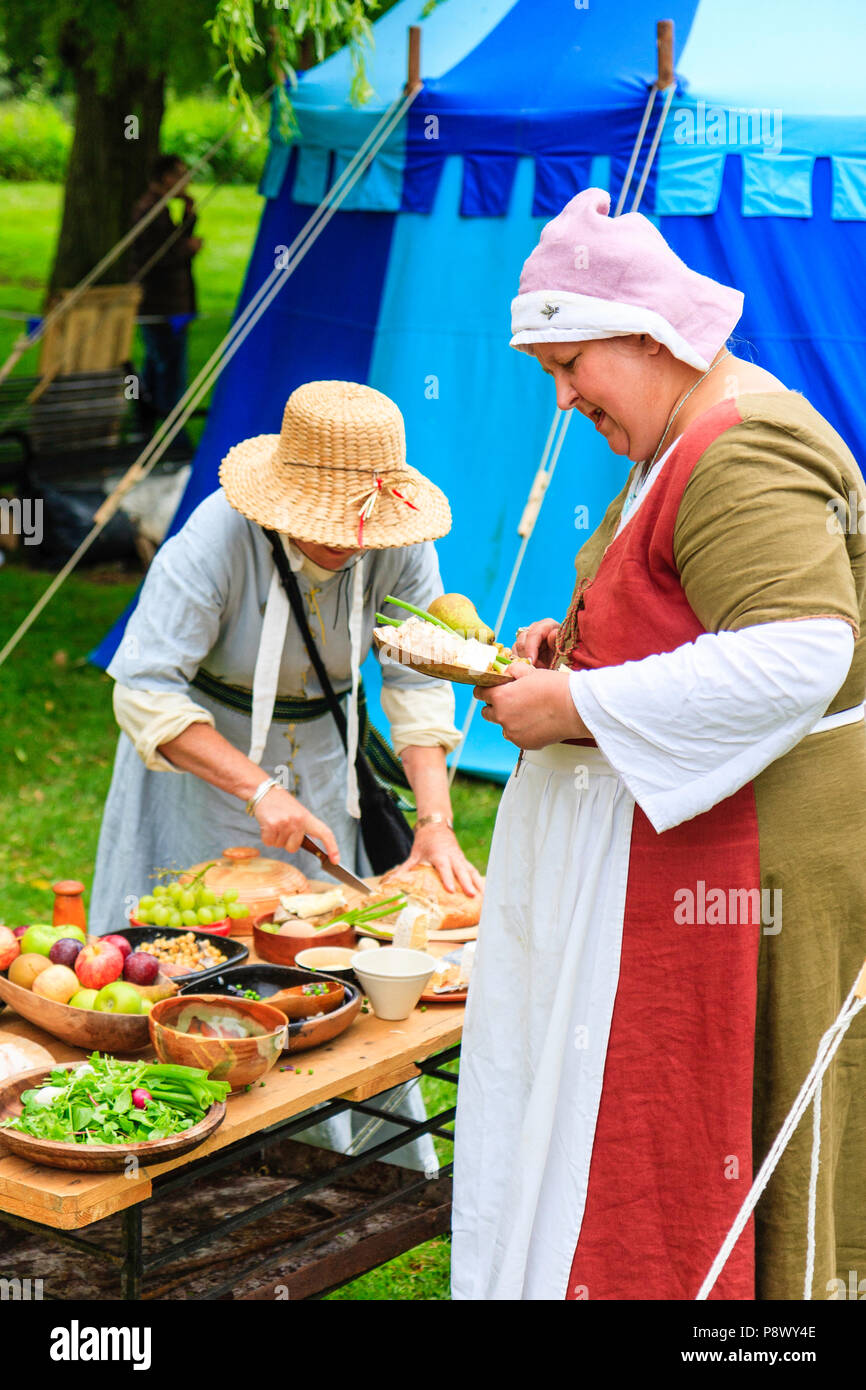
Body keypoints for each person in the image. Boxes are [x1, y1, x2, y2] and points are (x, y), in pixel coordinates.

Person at [451, 188, 866, 1300]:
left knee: (743, 1133)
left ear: (648, 338)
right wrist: (571, 647)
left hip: (758, 870)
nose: (561, 395)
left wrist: (574, 709)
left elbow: (797, 653)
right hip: (709, 849)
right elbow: (682, 614)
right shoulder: (677, 434)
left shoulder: (744, 448)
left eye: (570, 364)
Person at [92, 378, 480, 1167]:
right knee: (194, 949)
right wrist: (258, 788)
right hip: (200, 765)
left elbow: (417, 677)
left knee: (323, 956)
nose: (346, 542)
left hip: (326, 754)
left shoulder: (398, 538)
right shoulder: (214, 536)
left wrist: (434, 821)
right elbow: (145, 688)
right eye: (327, 526)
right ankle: (171, 1154)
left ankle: (341, 1166)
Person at [130, 153, 202, 422]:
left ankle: (145, 424)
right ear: (168, 178)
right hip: (162, 305)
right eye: (182, 174)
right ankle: (172, 436)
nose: (187, 180)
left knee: (156, 366)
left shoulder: (158, 209)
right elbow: (156, 258)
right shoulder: (150, 211)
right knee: (169, 371)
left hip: (167, 304)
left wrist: (188, 214)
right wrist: (189, 248)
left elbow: (169, 244)